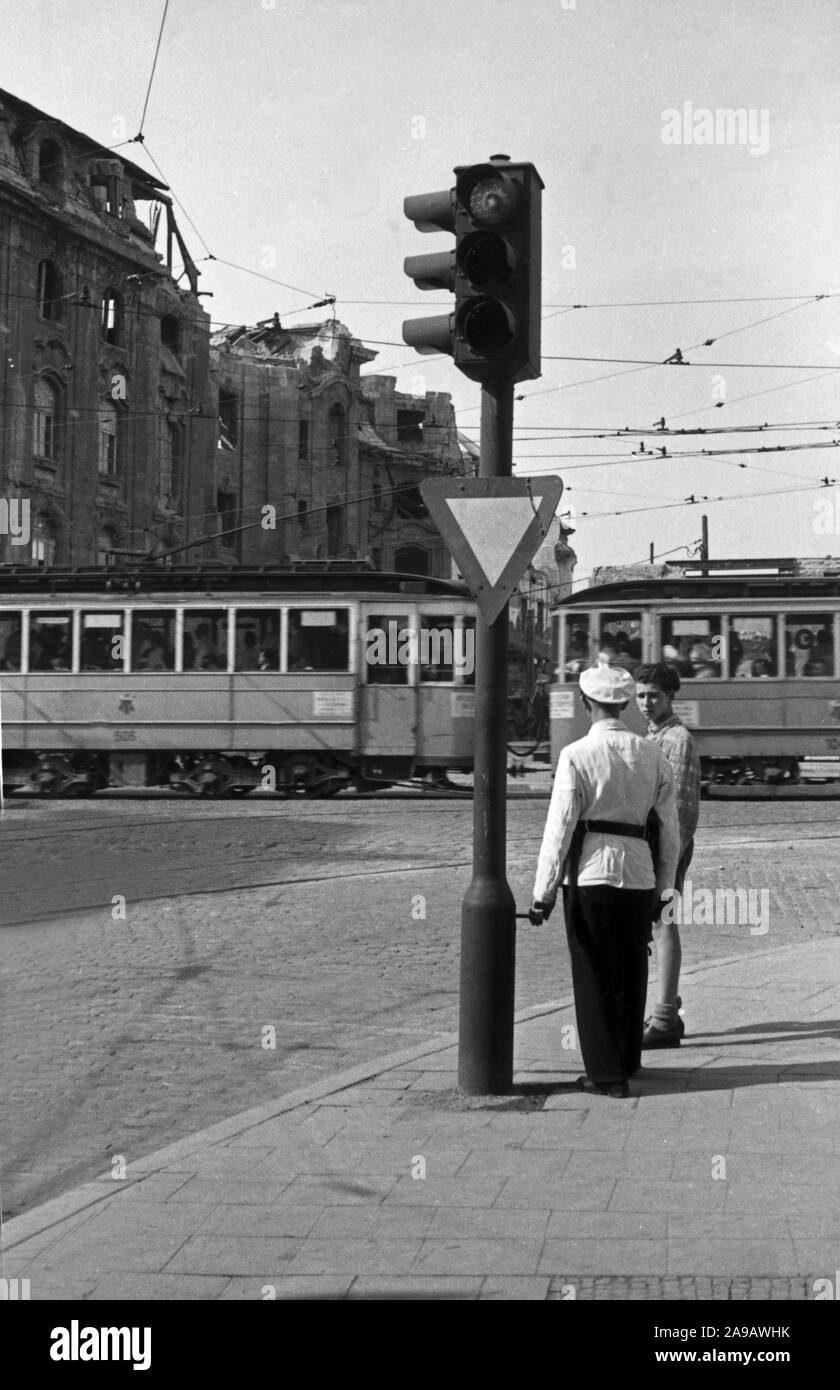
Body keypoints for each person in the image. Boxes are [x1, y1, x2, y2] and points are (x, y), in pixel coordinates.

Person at [529, 663, 680, 1097]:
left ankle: (606, 1075)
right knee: (632, 968)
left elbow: (559, 829)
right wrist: (664, 892)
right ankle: (629, 1058)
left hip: (590, 875)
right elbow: (668, 833)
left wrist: (544, 893)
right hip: (639, 874)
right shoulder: (653, 754)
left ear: (586, 703)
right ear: (627, 703)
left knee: (593, 975)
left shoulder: (575, 755)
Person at [635, 662, 702, 1048]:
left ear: (671, 696)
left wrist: (666, 858)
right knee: (659, 924)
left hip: (666, 849)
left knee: (663, 924)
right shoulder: (654, 737)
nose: (646, 703)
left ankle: (663, 1020)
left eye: (654, 696)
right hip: (656, 847)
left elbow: (681, 808)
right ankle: (667, 1010)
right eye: (641, 696)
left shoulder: (677, 739)